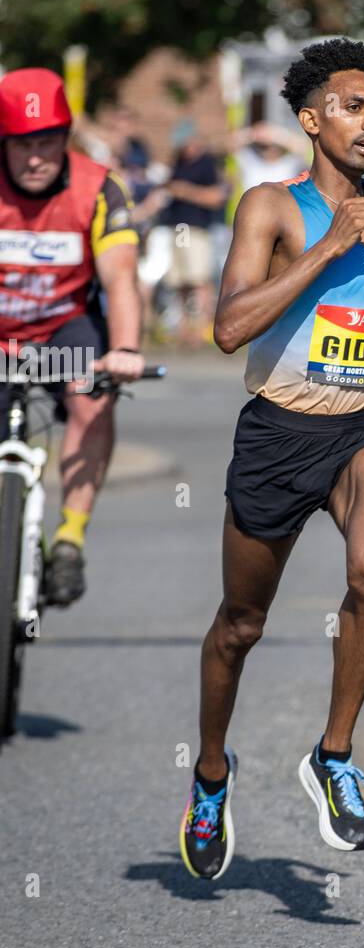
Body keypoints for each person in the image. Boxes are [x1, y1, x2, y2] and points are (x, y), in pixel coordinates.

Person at [180, 37, 364, 881]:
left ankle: (335, 755)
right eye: (351, 106)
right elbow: (229, 329)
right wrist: (324, 249)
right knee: (241, 626)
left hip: (362, 427)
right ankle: (211, 771)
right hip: (277, 430)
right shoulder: (270, 207)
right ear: (310, 120)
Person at [0, 67, 144, 606]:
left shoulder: (100, 187)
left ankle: (69, 538)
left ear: (65, 139)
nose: (35, 158)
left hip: (64, 325)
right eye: (20, 146)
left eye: (47, 143)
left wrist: (126, 350)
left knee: (92, 395)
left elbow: (122, 280)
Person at [159, 121, 228, 346]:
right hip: (179, 228)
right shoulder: (179, 163)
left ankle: (201, 327)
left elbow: (217, 196)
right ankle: (183, 327)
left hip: (197, 228)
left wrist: (185, 192)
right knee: (180, 279)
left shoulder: (206, 164)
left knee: (199, 279)